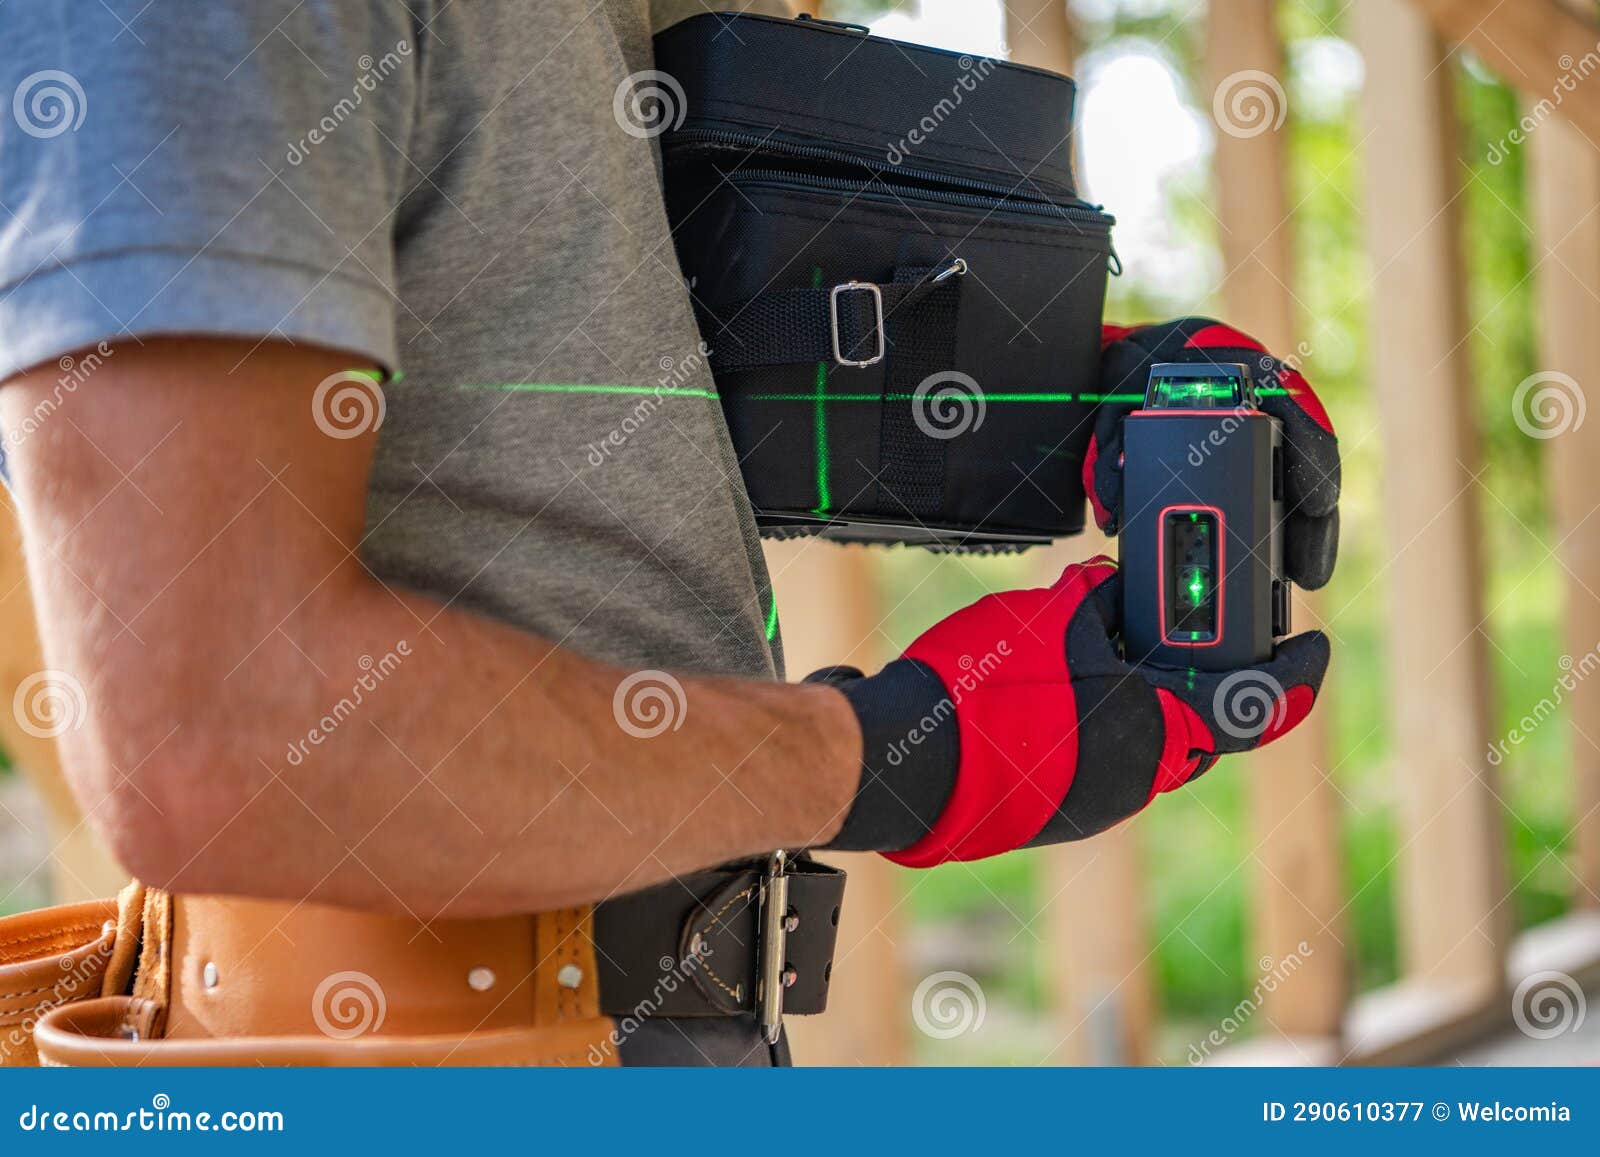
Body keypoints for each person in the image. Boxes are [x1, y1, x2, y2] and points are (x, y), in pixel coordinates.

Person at [0, 1, 1338, 1066]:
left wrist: (1053, 395)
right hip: (417, 1049)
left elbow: (596, 384)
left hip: (668, 1030)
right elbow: (214, 729)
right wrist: (887, 758)